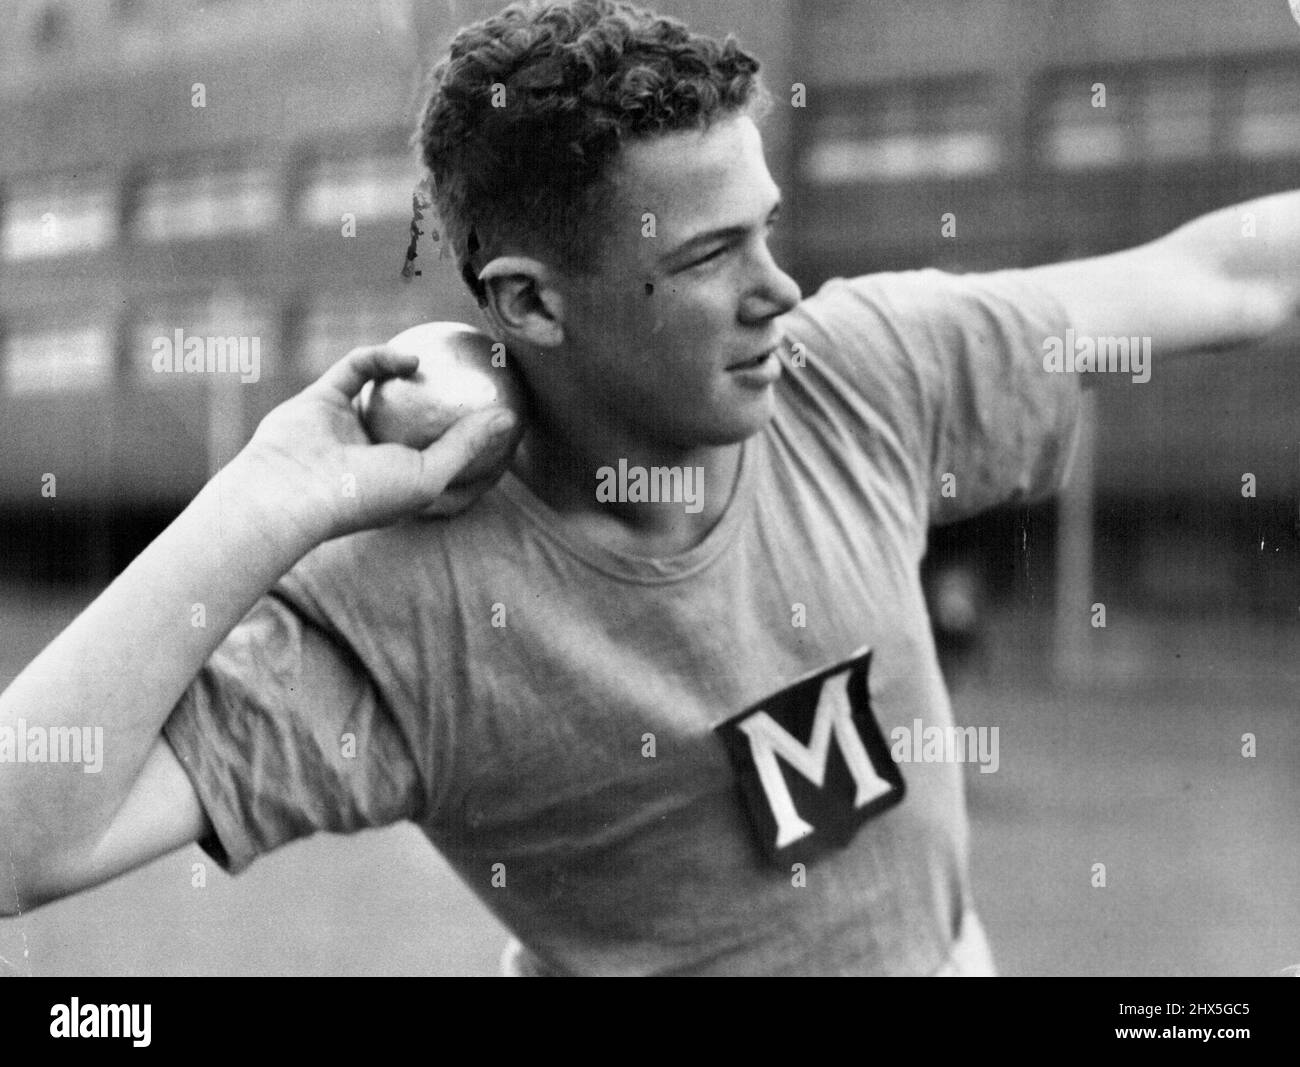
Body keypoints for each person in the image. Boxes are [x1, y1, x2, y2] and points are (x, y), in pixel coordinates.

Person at [1, 0, 1296, 976]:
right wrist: (258, 500)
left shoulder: (860, 369)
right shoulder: (414, 611)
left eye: (768, 228)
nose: (778, 288)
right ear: (530, 305)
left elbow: (1223, 278)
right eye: (711, 254)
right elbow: (24, 840)